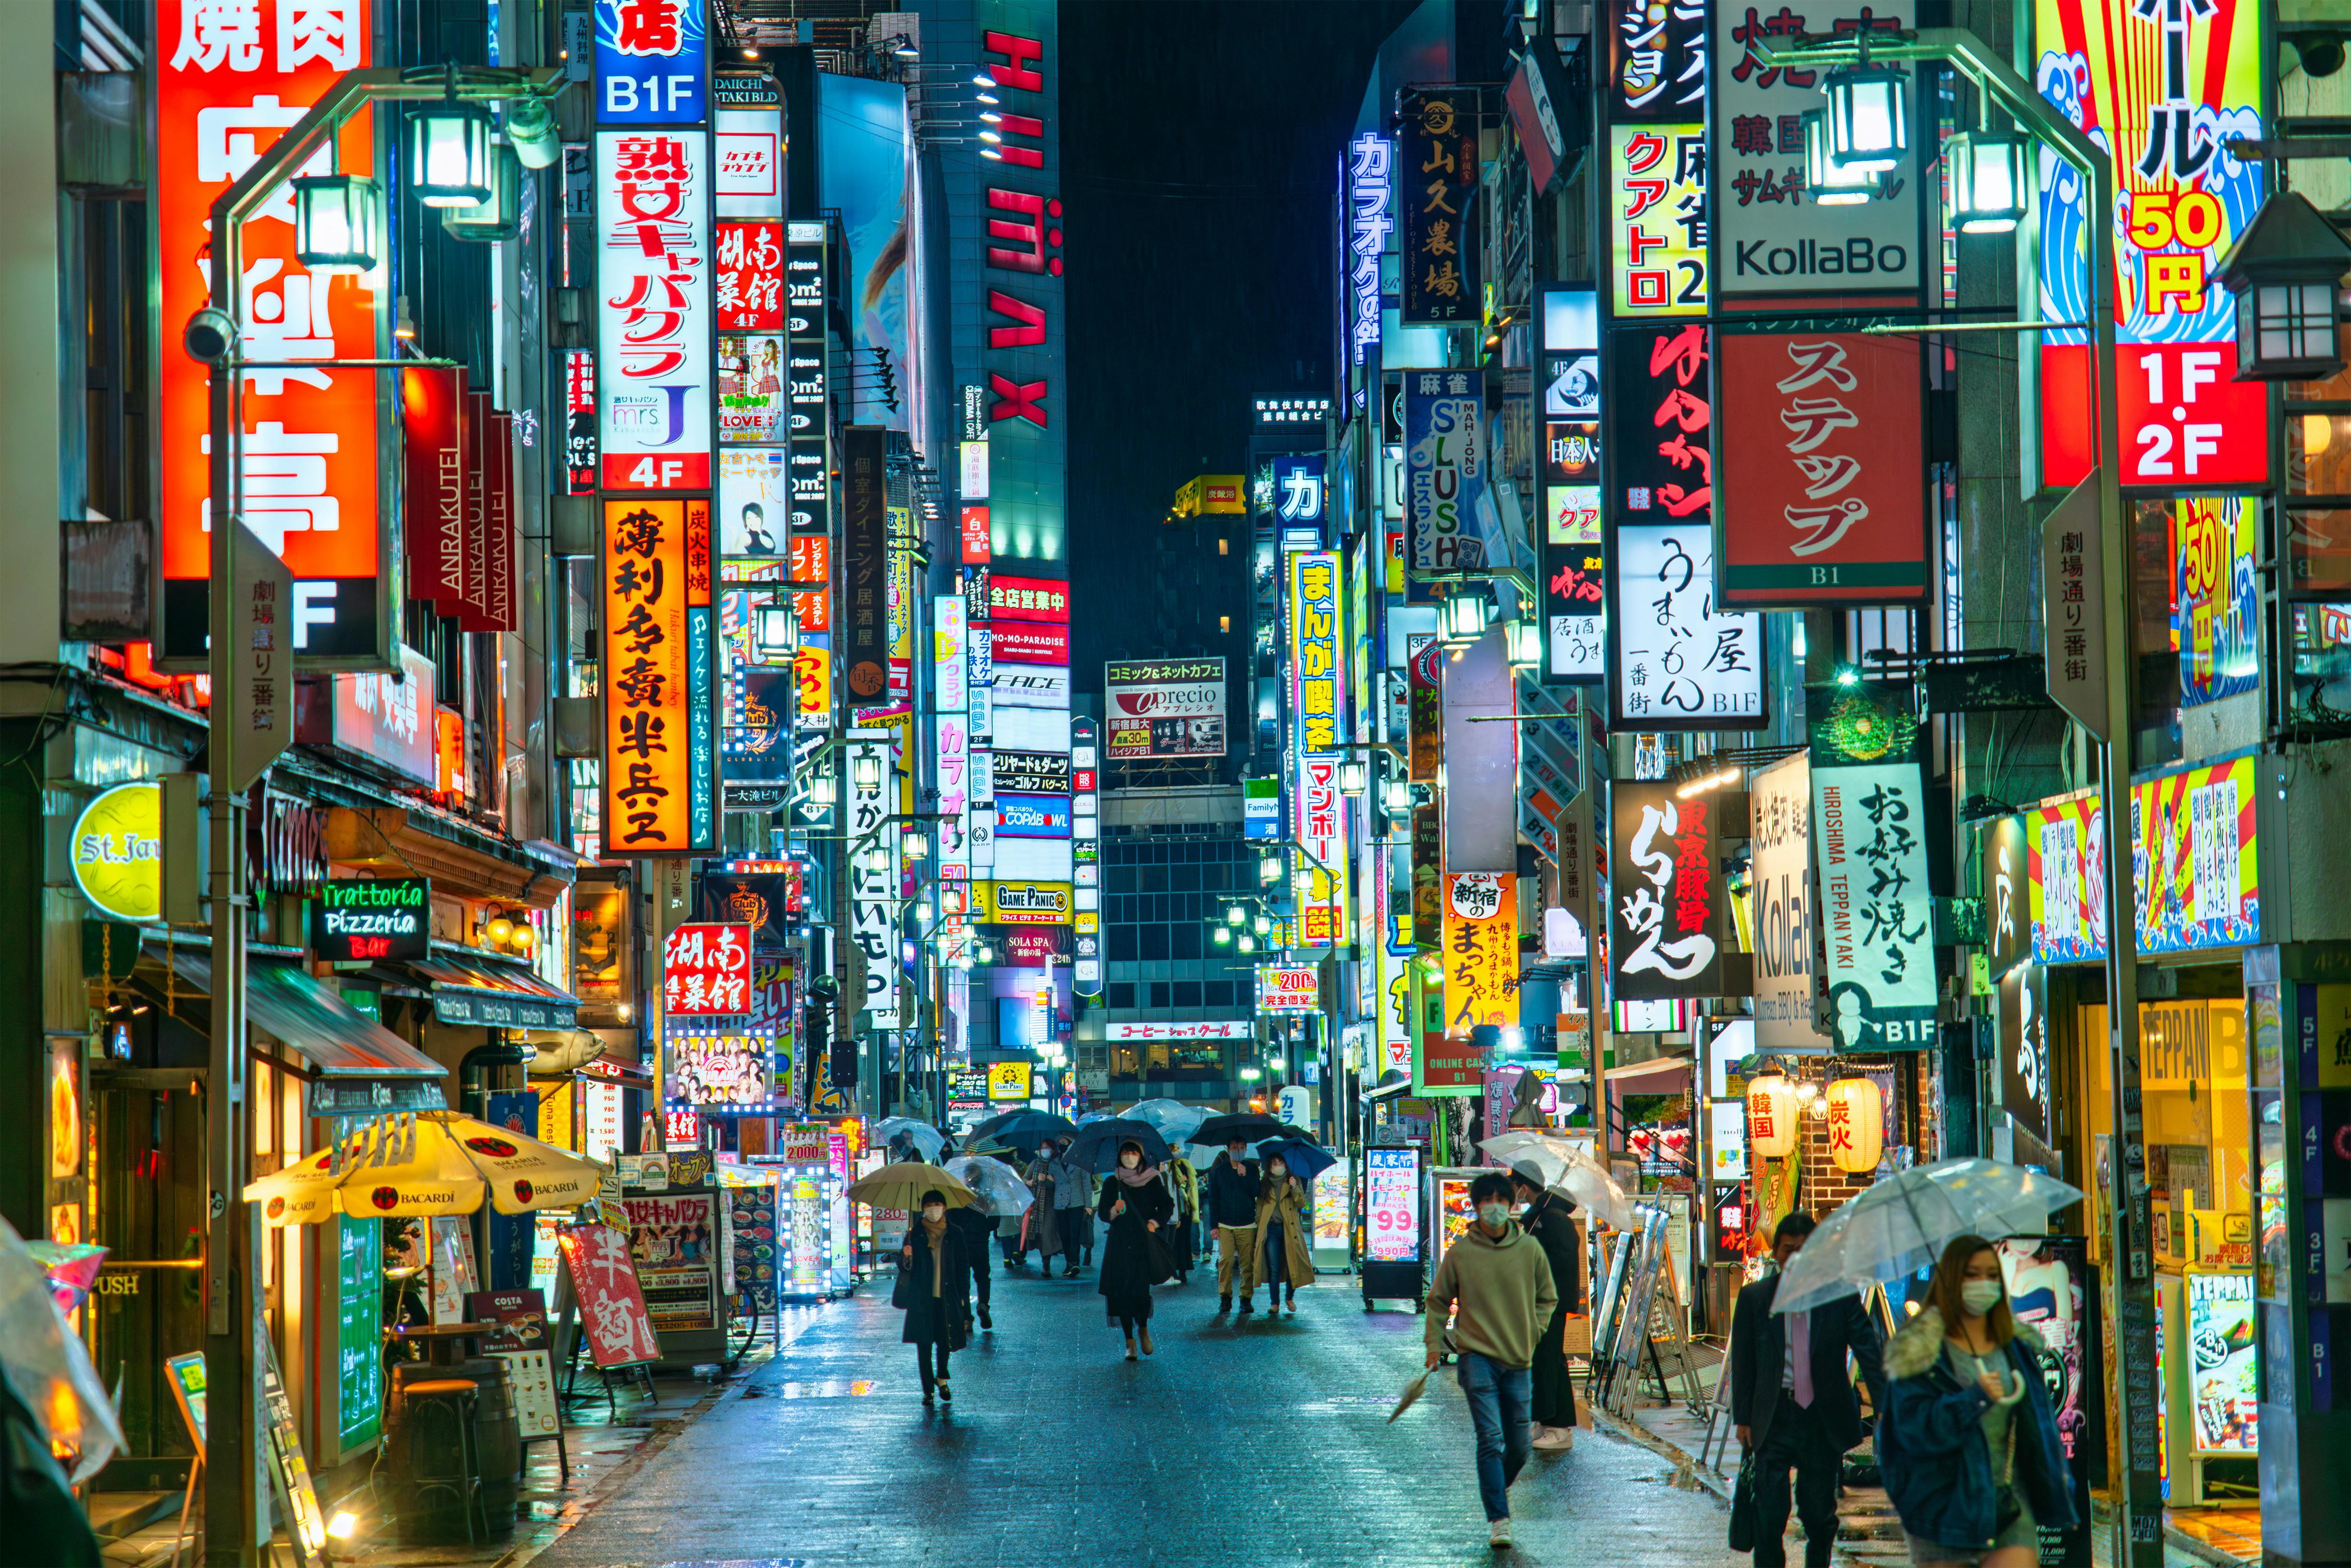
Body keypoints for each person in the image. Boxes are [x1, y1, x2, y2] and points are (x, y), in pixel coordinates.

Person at [1878, 1236, 2077, 1568]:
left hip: (2008, 1504)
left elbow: (2039, 1424)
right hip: (1943, 1510)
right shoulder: (1920, 1352)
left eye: (1992, 1275)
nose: (1983, 1283)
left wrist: (2058, 1486)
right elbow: (1915, 1430)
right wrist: (1975, 1399)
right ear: (1952, 1280)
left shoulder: (2017, 1347)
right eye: (1972, 1274)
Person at [1729, 1211, 1888, 1568]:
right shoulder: (1756, 1297)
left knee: (1818, 1513)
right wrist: (1743, 1417)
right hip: (1774, 1415)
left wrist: (1883, 1402)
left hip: (1821, 1417)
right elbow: (1744, 1361)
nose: (1797, 1258)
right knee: (1769, 1513)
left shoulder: (1838, 1296)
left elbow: (1868, 1348)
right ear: (1776, 1252)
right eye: (1789, 1250)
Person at [1424, 1171, 1557, 1550]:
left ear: (1511, 1204)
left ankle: (1497, 1484)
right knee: (1489, 1437)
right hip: (1476, 1357)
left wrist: (1534, 1330)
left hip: (1518, 1358)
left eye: (1501, 1200)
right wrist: (1434, 1343)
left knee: (1519, 1446)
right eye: (1487, 1200)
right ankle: (1499, 1519)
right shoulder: (1461, 1252)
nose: (1495, 1207)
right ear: (1477, 1205)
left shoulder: (1530, 1250)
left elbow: (1547, 1297)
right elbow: (1438, 1300)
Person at [1510, 1163, 1583, 1451]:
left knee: (1550, 1360)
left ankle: (1559, 1428)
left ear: (1523, 1187)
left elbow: (1560, 1263)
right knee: (1544, 1360)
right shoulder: (1540, 1216)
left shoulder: (1553, 1218)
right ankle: (1546, 1421)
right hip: (1540, 1301)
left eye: (1514, 1187)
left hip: (1549, 1302)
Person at [1097, 1139, 1174, 1359]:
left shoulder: (1152, 1179)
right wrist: (1114, 1210)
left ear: (1142, 1157)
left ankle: (1143, 1328)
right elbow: (1102, 1213)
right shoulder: (1113, 1182)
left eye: (1134, 1152)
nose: (1129, 1156)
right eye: (1125, 1152)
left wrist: (1154, 1223)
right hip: (1119, 1244)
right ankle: (1129, 1342)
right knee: (1120, 1293)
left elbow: (1167, 1206)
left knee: (1140, 1292)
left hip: (1142, 1243)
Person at [896, 1190, 971, 1405]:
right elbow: (904, 1267)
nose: (933, 1209)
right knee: (924, 1344)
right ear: (923, 1209)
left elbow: (963, 1266)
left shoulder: (955, 1233)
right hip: (922, 1298)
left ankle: (942, 1377)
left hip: (946, 1297)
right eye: (929, 1206)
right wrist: (906, 1257)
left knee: (945, 1341)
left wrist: (963, 1295)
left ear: (944, 1207)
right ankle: (928, 1390)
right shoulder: (915, 1235)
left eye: (937, 1205)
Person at [1204, 1136, 1262, 1314]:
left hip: (1247, 1223)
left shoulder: (1252, 1168)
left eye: (1242, 1147)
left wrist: (1244, 1177)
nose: (1239, 1150)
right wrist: (1214, 1226)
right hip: (1225, 1223)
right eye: (1235, 1147)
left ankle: (1246, 1299)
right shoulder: (1219, 1171)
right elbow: (1213, 1199)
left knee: (1247, 1263)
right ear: (1228, 1150)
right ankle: (1225, 1297)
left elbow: (1257, 1192)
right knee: (1226, 1261)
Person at [1254, 1152, 1314, 1315]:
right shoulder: (1265, 1184)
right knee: (1274, 1268)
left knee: (1291, 1266)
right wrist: (1259, 1224)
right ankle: (1275, 1303)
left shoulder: (1293, 1180)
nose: (1279, 1166)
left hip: (1289, 1229)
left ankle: (1289, 1298)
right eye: (1275, 1164)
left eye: (1281, 1163)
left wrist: (1294, 1187)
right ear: (1269, 1168)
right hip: (1271, 1230)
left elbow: (1301, 1203)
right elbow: (1260, 1206)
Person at [947, 1190, 998, 1331]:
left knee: (962, 1281)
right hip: (981, 1243)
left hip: (961, 1244)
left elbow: (949, 1219)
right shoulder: (987, 1197)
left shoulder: (957, 1196)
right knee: (983, 1278)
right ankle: (983, 1304)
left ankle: (966, 1319)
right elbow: (995, 1223)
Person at [1016, 1147, 1064, 1270]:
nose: (1045, 1151)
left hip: (1051, 1206)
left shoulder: (1057, 1165)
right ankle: (1024, 1255)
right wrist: (1030, 1182)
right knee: (1036, 1233)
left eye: (1048, 1148)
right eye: (1043, 1148)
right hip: (1036, 1205)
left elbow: (1065, 1183)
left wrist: (1052, 1180)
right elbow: (1025, 1179)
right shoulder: (1035, 1164)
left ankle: (1046, 1264)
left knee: (1047, 1233)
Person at [1054, 1138, 1096, 1276]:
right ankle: (1069, 1262)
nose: (1062, 1145)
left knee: (1075, 1235)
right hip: (1060, 1204)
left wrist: (1088, 1205)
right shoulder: (1054, 1162)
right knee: (1064, 1235)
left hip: (1077, 1203)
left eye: (1065, 1143)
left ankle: (1074, 1263)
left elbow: (1086, 1184)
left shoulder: (1080, 1161)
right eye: (1060, 1143)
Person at [1164, 1148, 1200, 1283]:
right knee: (1175, 1242)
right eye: (1174, 1150)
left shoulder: (1186, 1165)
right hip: (1175, 1211)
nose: (1177, 1151)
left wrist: (1186, 1184)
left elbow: (1192, 1185)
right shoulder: (1167, 1168)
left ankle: (1184, 1270)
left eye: (1178, 1149)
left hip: (1186, 1209)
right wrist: (1179, 1182)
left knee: (1185, 1241)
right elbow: (1168, 1188)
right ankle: (1173, 1271)